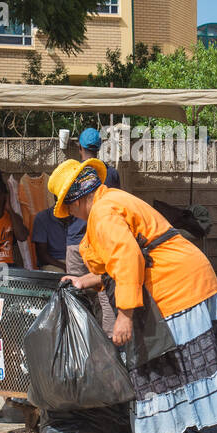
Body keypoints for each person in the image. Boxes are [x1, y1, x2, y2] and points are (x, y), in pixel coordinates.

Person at [49, 158, 217, 433]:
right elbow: (116, 263)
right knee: (182, 368)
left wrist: (124, 316)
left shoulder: (102, 213)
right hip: (186, 281)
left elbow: (127, 260)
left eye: (68, 209)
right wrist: (84, 281)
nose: (70, 215)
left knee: (150, 369)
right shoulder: (111, 203)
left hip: (176, 287)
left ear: (76, 199)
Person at [67, 127, 121, 333]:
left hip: (76, 242)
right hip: (102, 241)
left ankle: (79, 339)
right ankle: (109, 341)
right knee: (106, 292)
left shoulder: (73, 173)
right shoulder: (111, 174)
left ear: (79, 147)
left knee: (76, 294)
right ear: (99, 148)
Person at [31, 206, 73, 272]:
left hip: (76, 260)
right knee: (61, 277)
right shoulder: (42, 218)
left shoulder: (79, 215)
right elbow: (42, 255)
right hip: (54, 263)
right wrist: (65, 266)